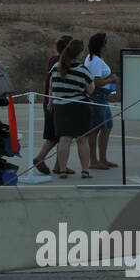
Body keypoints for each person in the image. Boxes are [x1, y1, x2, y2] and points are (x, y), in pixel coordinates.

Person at [48, 39, 95, 178]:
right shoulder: (82, 70)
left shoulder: (56, 67)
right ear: (80, 53)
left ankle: (62, 170)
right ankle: (85, 171)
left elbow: (51, 86)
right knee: (82, 139)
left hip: (60, 107)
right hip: (79, 107)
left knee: (64, 139)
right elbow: (90, 89)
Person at [32, 34, 73, 176]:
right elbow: (54, 84)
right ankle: (40, 157)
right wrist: (51, 101)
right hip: (55, 102)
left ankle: (59, 165)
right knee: (57, 136)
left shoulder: (53, 59)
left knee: (59, 136)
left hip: (51, 101)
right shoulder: (60, 62)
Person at [83, 32, 117, 170]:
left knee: (107, 127)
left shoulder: (95, 58)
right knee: (96, 129)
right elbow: (95, 81)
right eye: (106, 42)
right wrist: (111, 80)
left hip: (103, 97)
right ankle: (94, 160)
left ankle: (103, 158)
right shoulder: (95, 61)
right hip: (97, 96)